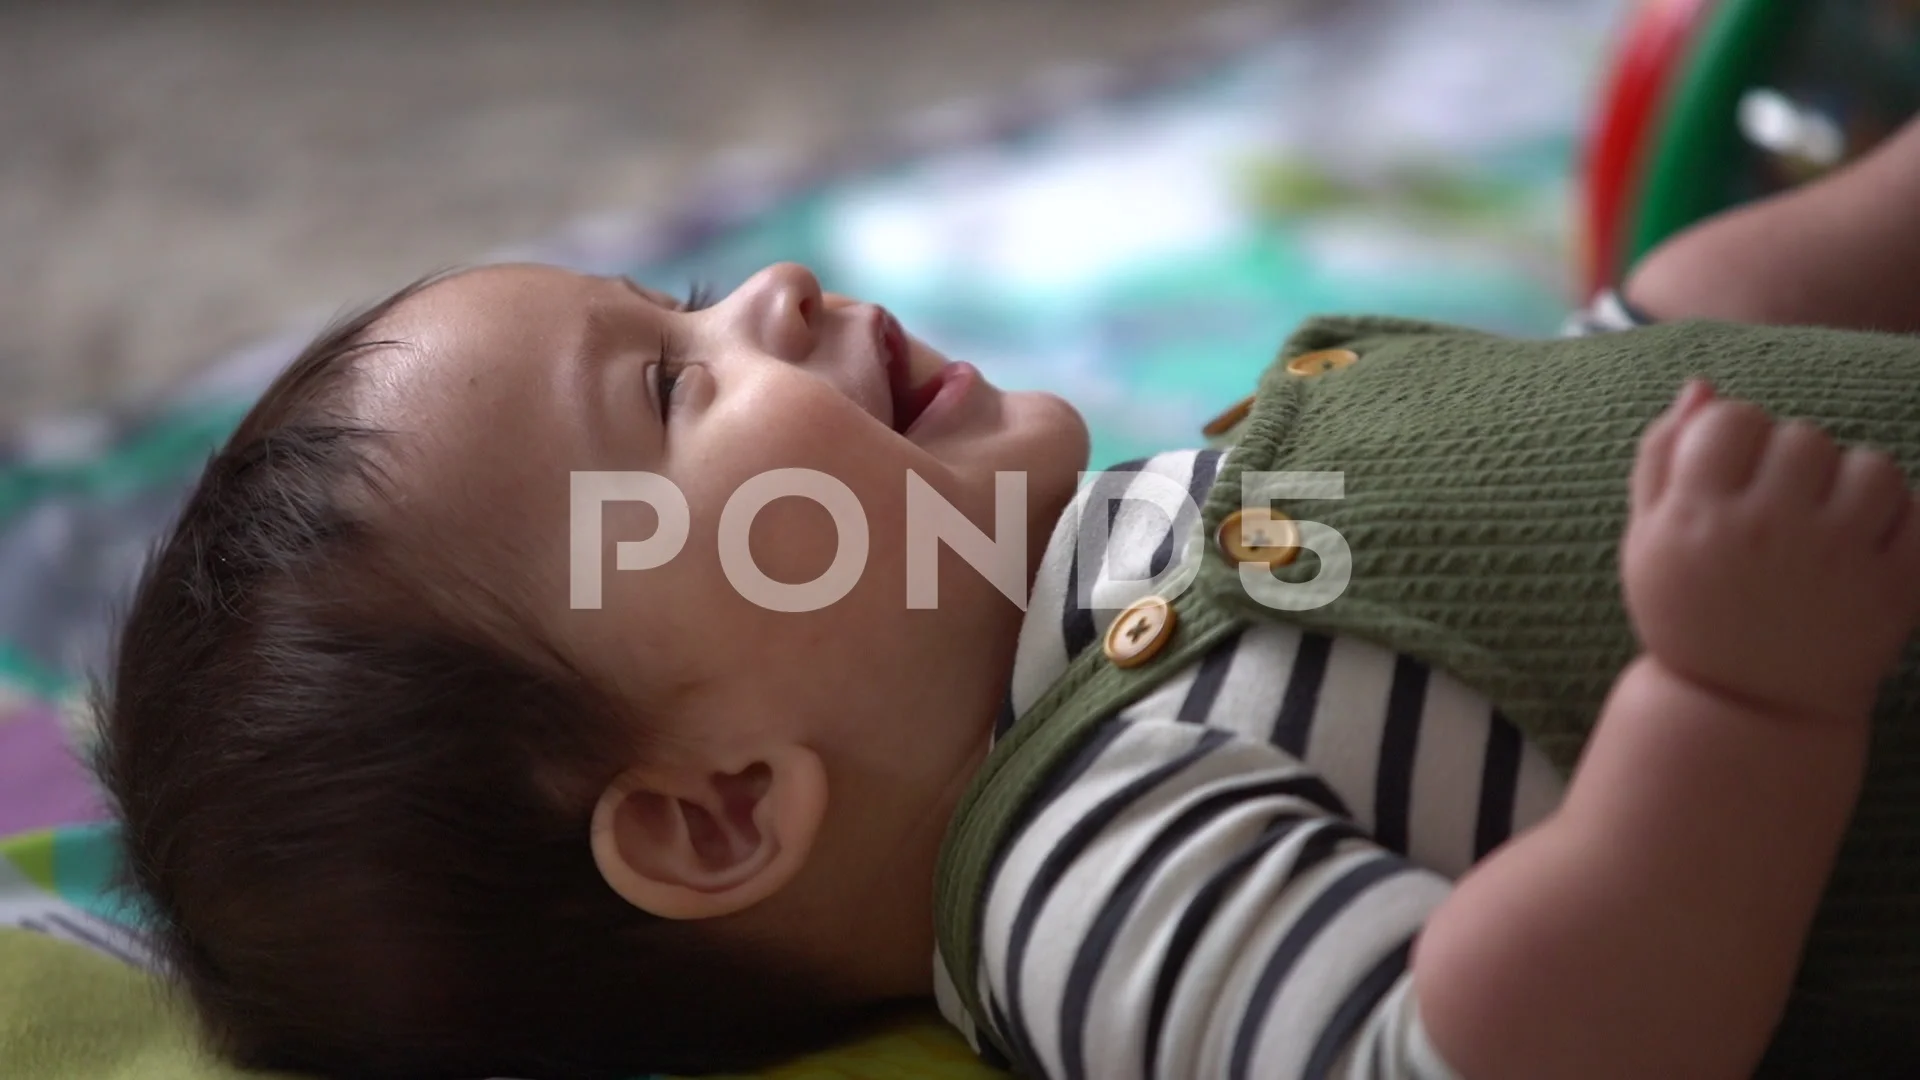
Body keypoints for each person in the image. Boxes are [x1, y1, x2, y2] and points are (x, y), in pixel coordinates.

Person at [93, 117, 1920, 1080]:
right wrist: (1739, 705)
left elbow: (1573, 420)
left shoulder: (1150, 528)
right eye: (666, 388)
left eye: (676, 296)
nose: (778, 289)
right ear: (724, 809)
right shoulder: (1082, 873)